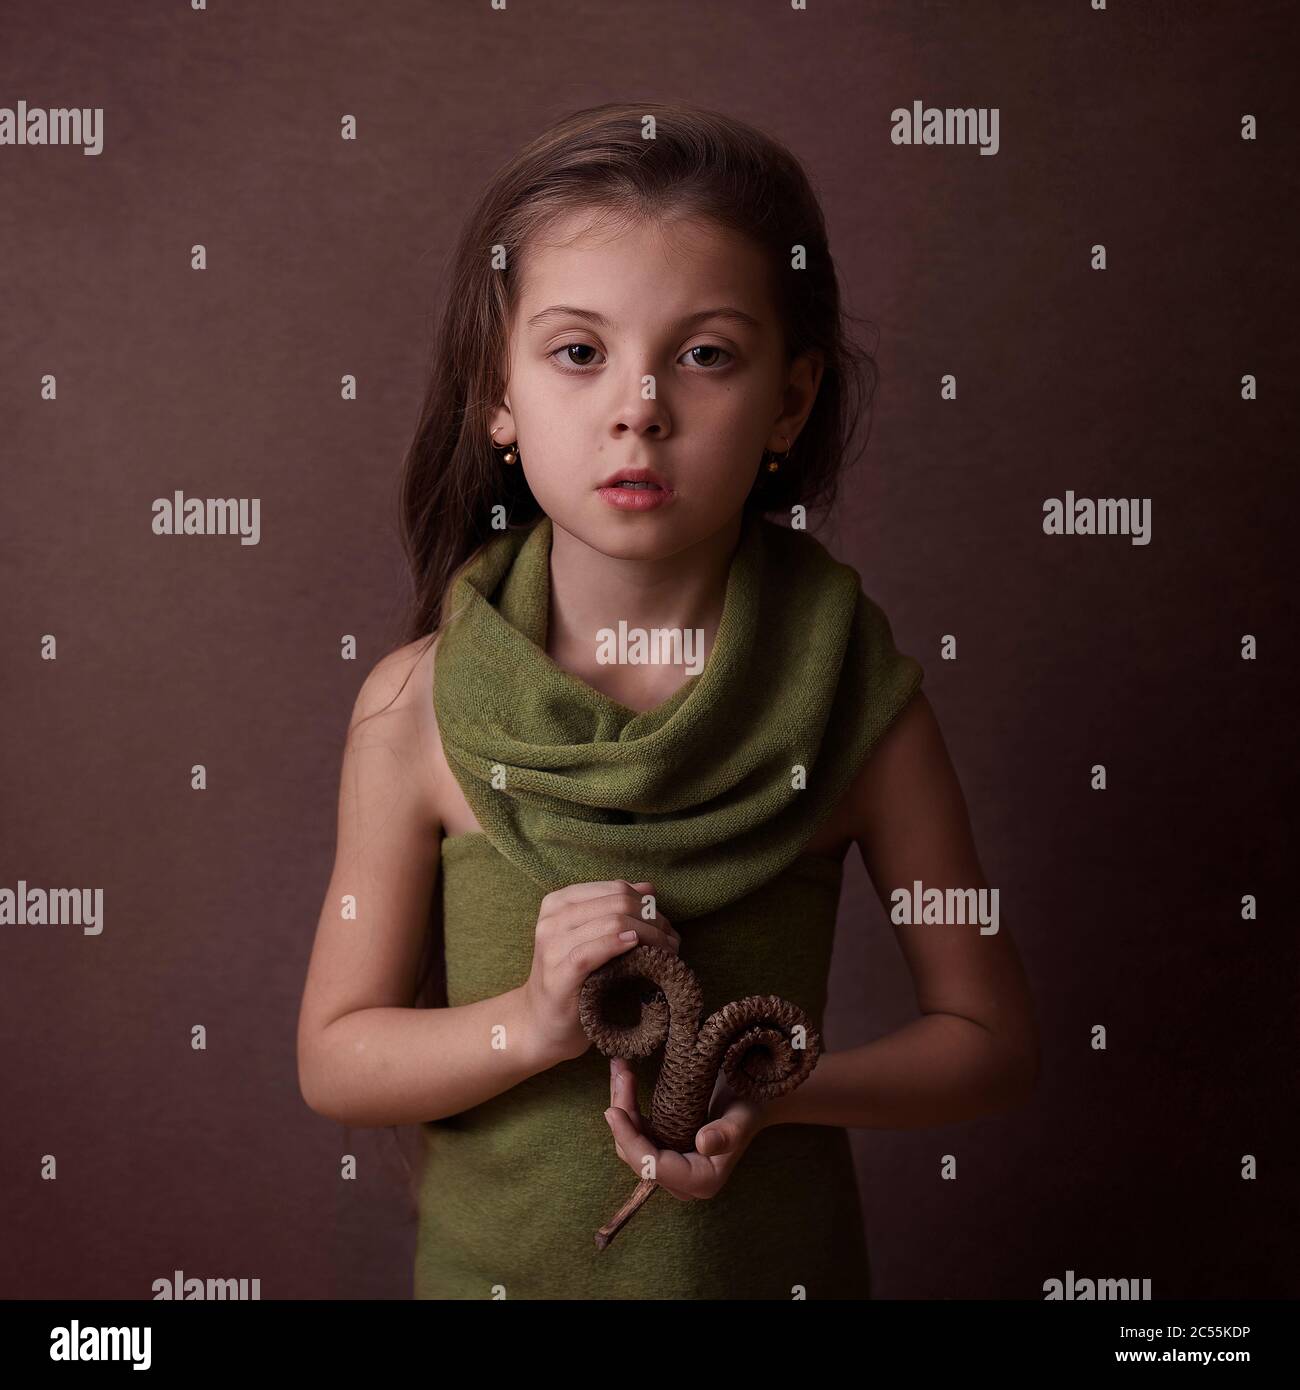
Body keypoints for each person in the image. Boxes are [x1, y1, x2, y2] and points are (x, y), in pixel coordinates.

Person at [296, 100, 1039, 1300]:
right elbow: (334, 1059)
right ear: (500, 394)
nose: (637, 407)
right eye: (578, 352)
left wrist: (779, 1083)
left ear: (788, 404)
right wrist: (532, 1022)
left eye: (703, 355)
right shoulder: (415, 707)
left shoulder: (858, 704)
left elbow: (990, 1043)